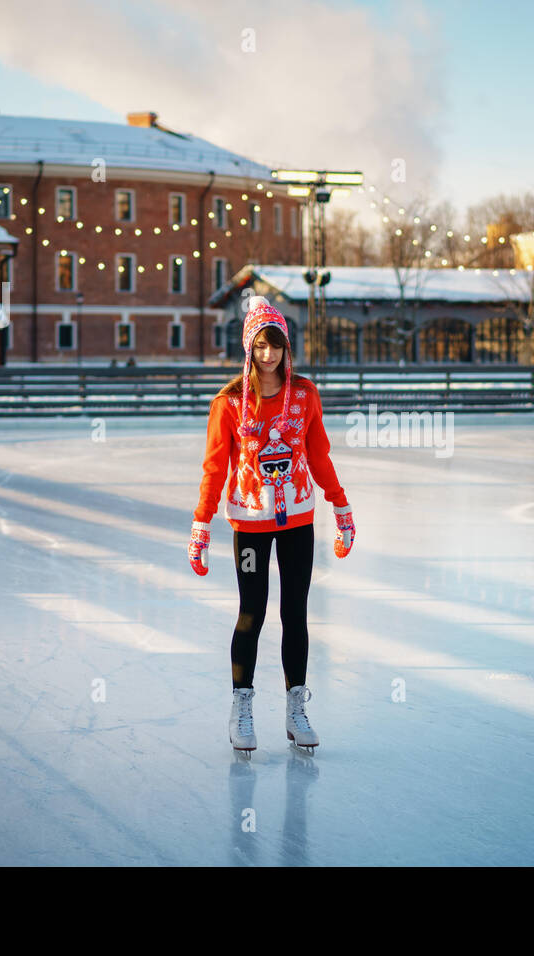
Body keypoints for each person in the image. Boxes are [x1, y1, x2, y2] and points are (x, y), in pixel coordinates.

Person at [188, 295, 355, 754]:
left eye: (276, 345)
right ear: (248, 348)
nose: (269, 355)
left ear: (286, 348)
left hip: (298, 518)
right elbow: (214, 467)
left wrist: (340, 506)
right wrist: (202, 525)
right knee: (252, 612)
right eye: (261, 346)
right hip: (250, 521)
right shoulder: (229, 403)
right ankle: (241, 709)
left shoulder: (304, 395)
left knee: (295, 612)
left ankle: (295, 708)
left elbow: (319, 455)